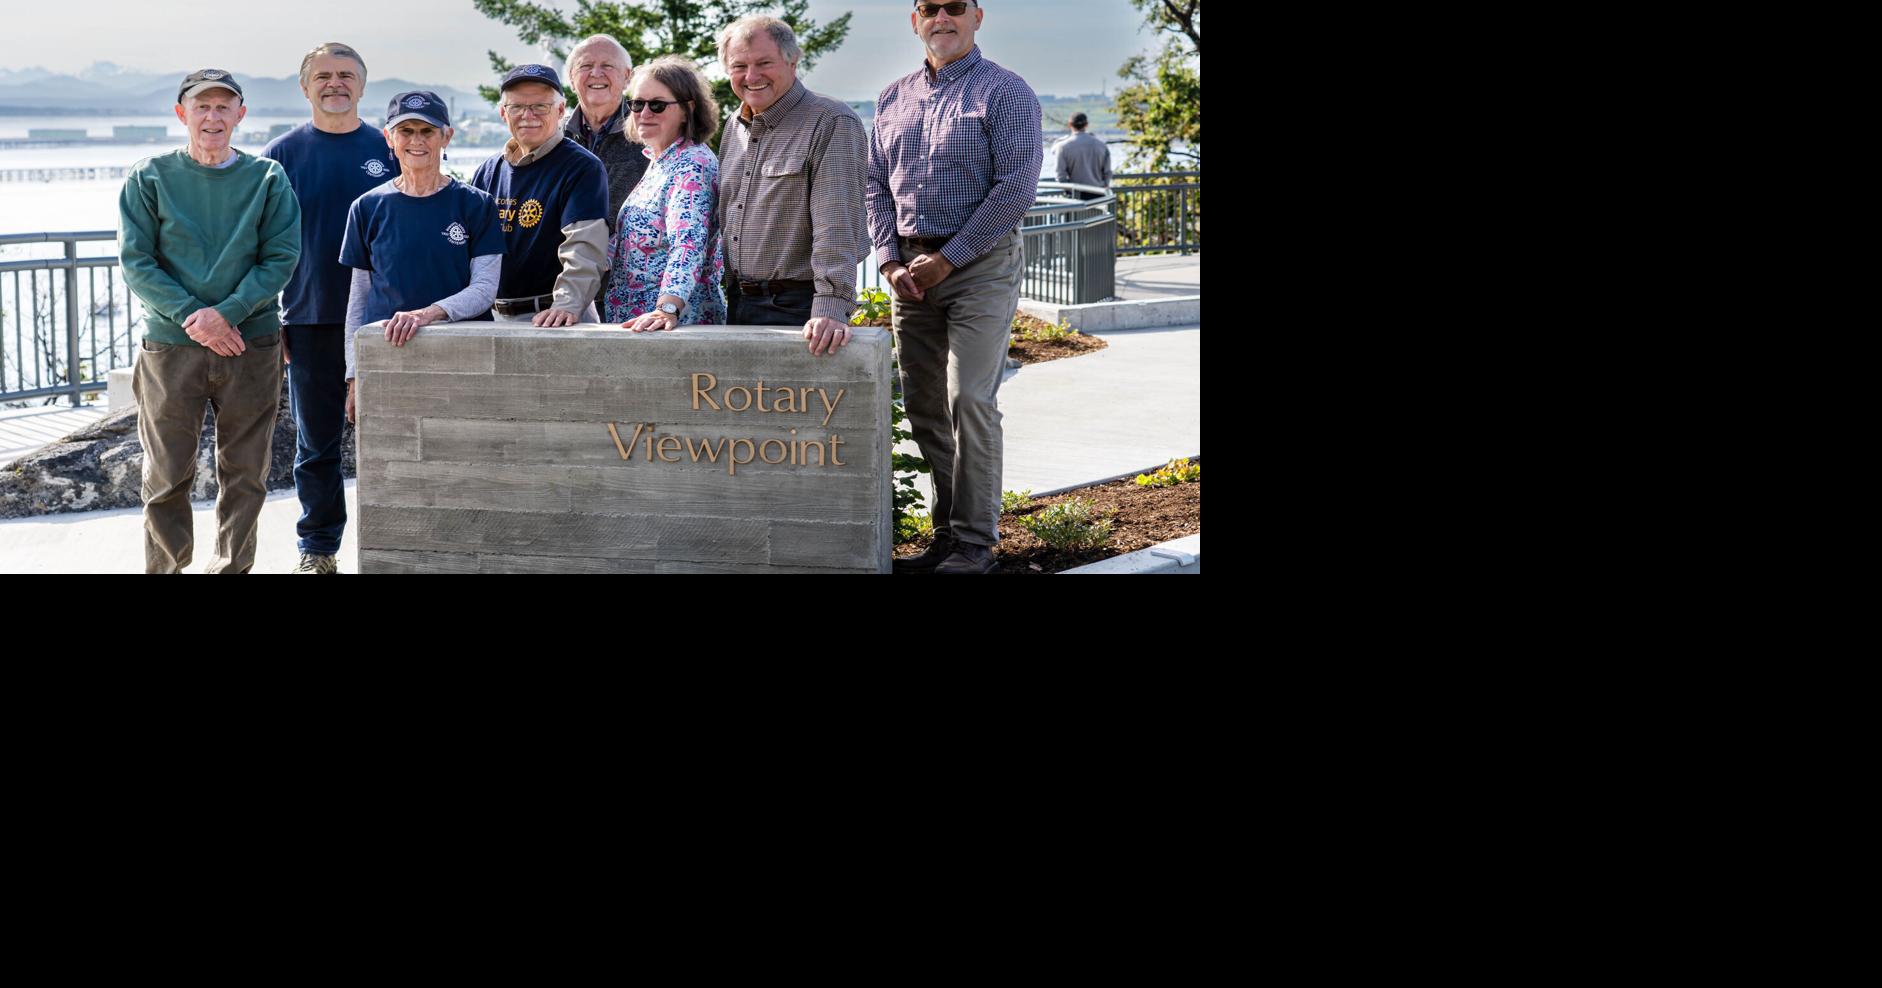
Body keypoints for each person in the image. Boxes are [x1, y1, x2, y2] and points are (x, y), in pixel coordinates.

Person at [866, 1, 1042, 575]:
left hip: (979, 267)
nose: (941, 17)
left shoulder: (1006, 91)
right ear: (914, 20)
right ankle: (946, 536)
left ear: (977, 16)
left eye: (954, 7)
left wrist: (949, 259)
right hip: (909, 274)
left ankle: (975, 542)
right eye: (928, 8)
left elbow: (1016, 188)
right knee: (922, 405)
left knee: (970, 398)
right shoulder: (892, 97)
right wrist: (889, 262)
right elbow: (875, 187)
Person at [118, 69, 302, 573]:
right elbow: (138, 262)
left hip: (252, 344)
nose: (213, 116)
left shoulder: (267, 179)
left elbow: (281, 256)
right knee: (165, 476)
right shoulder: (149, 177)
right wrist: (194, 317)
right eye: (202, 106)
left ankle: (231, 568)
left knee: (246, 474)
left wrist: (227, 315)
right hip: (170, 350)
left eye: (224, 107)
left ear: (240, 115)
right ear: (182, 114)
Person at [262, 42, 399, 575]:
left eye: (346, 75)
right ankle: (318, 550)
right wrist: (277, 318)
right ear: (305, 86)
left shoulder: (392, 146)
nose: (335, 83)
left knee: (395, 440)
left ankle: (399, 540)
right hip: (312, 317)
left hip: (388, 319)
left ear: (362, 86)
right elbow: (261, 244)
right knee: (316, 446)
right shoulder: (280, 156)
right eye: (323, 75)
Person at [339, 92, 504, 408]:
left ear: (447, 137)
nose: (417, 140)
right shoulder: (366, 207)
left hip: (460, 357)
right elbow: (359, 299)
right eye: (406, 131)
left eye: (427, 131)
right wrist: (354, 373)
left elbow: (484, 289)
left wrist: (427, 315)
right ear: (389, 137)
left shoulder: (476, 204)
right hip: (386, 357)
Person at [715, 15, 868, 356]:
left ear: (792, 60)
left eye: (763, 63)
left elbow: (838, 221)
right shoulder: (733, 127)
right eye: (739, 65)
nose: (751, 76)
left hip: (801, 312)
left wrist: (830, 306)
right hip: (738, 305)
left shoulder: (831, 121)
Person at [470, 64, 611, 325]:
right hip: (492, 318)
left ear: (560, 110)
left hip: (555, 317)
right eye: (517, 107)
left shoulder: (581, 168)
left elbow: (585, 247)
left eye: (540, 107)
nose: (528, 115)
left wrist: (567, 305)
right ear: (503, 113)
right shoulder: (487, 172)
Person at [602, 55, 726, 330]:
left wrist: (667, 308)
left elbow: (688, 246)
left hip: (672, 326)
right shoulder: (661, 161)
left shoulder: (691, 165)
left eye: (657, 105)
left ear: (687, 109)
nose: (644, 113)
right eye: (636, 103)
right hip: (639, 323)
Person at [563, 34, 649, 312]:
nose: (596, 74)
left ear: (627, 77)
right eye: (585, 66)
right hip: (560, 293)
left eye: (607, 66)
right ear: (571, 77)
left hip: (633, 295)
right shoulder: (552, 138)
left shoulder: (649, 133)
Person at [1053, 112, 1110, 200]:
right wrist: (1104, 184)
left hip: (1075, 196)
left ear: (1070, 124)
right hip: (1098, 194)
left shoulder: (1062, 147)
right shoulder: (1101, 145)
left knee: (1074, 214)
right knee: (1099, 214)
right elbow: (1107, 172)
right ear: (1086, 124)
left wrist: (1068, 190)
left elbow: (1060, 176)